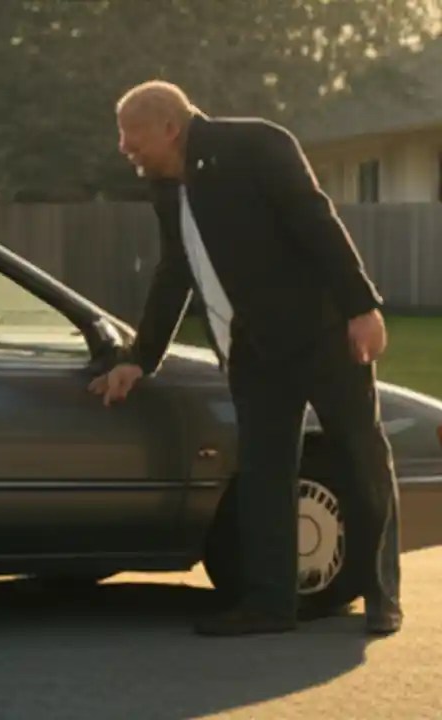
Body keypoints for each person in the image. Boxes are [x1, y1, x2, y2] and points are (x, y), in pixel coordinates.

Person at [89, 80, 403, 637]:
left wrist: (362, 307)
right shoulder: (166, 186)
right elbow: (174, 271)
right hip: (253, 351)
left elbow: (317, 221)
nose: (124, 149)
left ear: (169, 127)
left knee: (360, 458)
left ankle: (381, 596)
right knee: (263, 473)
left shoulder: (258, 146)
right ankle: (270, 604)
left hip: (325, 336)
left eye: (130, 136)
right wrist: (141, 357)